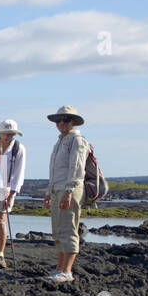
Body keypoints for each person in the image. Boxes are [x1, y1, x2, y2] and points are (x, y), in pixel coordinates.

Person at [45, 105, 89, 283]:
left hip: (69, 189)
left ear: (74, 122)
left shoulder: (77, 140)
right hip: (57, 189)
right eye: (59, 120)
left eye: (66, 120)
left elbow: (77, 168)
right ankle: (60, 268)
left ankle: (67, 271)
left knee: (69, 229)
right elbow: (55, 170)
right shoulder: (59, 141)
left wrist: (69, 191)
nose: (61, 123)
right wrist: (49, 191)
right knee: (58, 230)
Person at [0, 119, 26, 267]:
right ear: (0, 133)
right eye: (5, 133)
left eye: (11, 134)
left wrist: (12, 193)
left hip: (5, 189)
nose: (8, 136)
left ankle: (0, 255)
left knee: (0, 220)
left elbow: (19, 173)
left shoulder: (18, 148)